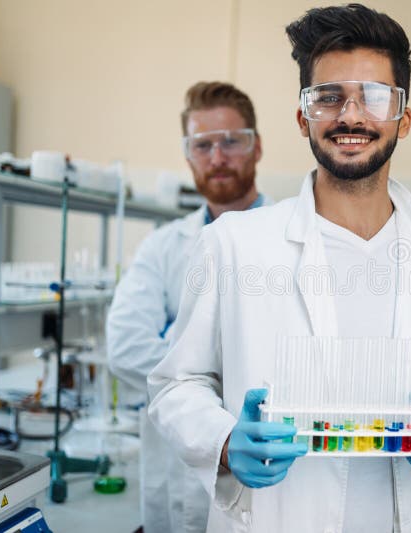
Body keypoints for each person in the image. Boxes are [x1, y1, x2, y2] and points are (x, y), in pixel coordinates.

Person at [147, 4, 411, 532]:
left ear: (404, 118)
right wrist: (227, 442)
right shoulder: (233, 245)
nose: (350, 116)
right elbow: (175, 383)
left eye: (374, 97)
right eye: (329, 97)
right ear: (304, 116)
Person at [107, 81, 271, 533]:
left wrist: (182, 360)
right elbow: (123, 348)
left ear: (257, 148)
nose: (217, 157)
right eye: (202, 145)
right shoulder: (162, 248)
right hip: (174, 484)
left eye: (232, 141)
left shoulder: (291, 240)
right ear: (188, 155)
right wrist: (218, 381)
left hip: (266, 478)